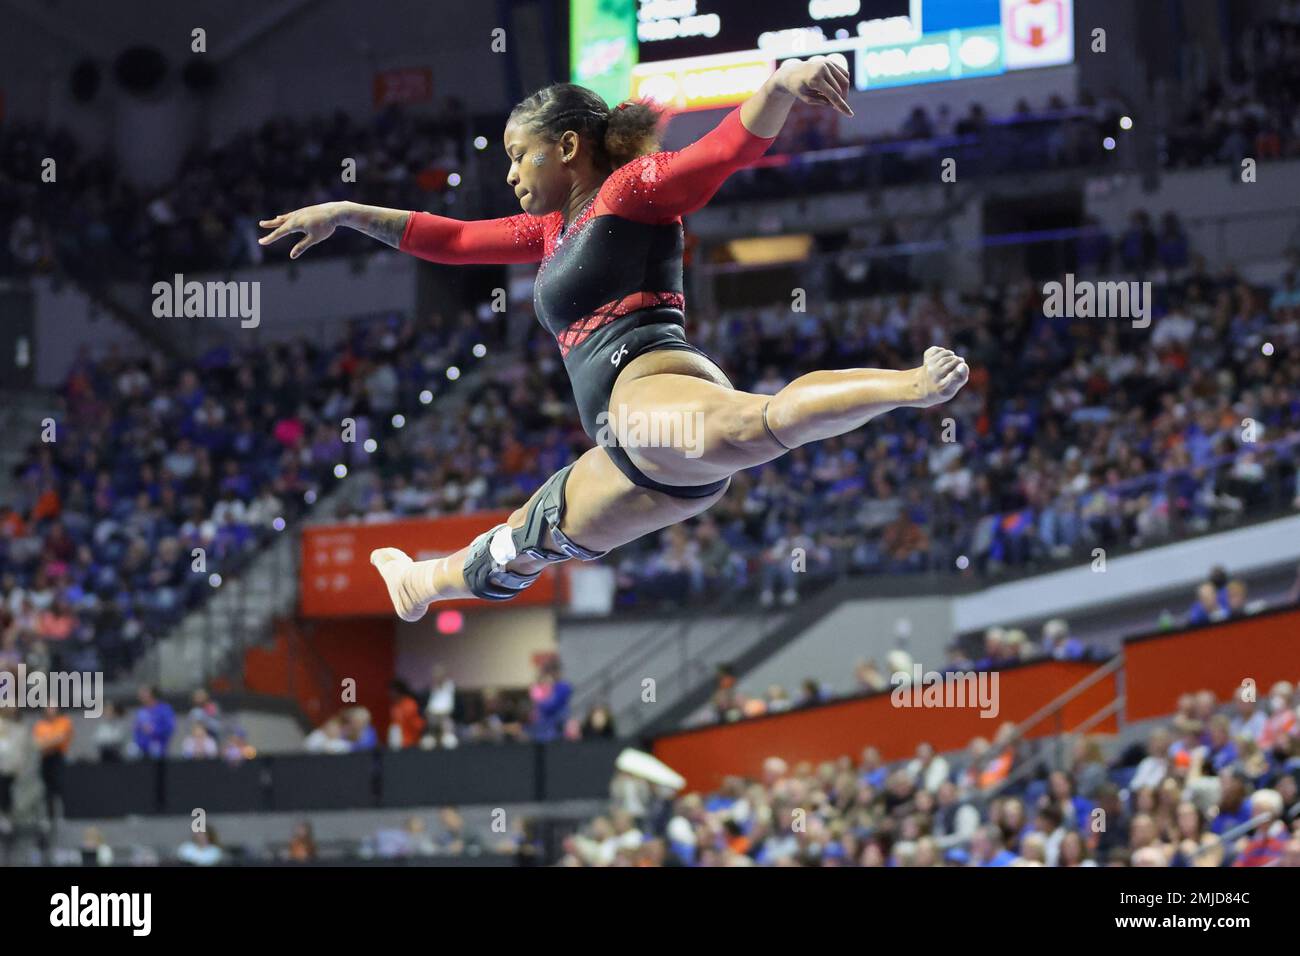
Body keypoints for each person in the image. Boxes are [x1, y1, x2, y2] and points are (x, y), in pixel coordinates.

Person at [260, 56, 969, 622]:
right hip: (636, 458)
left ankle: (909, 386)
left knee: (764, 421)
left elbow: (723, 152)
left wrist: (779, 83)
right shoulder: (548, 231)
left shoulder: (630, 191)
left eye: (519, 155)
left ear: (567, 147)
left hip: (650, 395)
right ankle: (421, 584)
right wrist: (349, 213)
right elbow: (450, 239)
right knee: (525, 543)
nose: (508, 175)